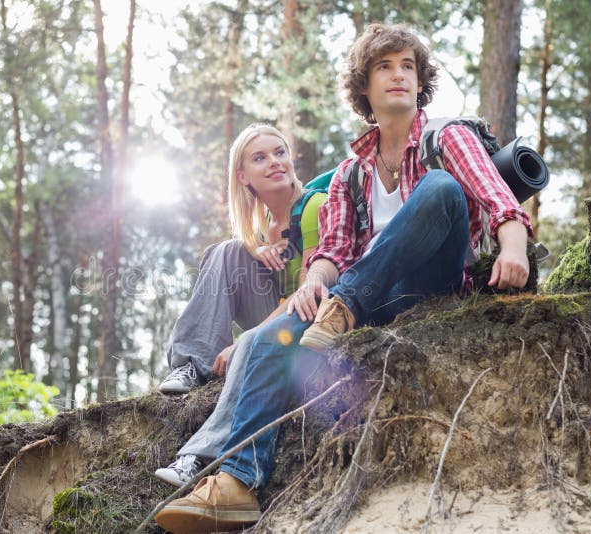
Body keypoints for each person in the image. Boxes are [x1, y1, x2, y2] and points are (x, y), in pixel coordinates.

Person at [154, 23, 533, 533]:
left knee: (442, 189)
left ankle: (344, 305)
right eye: (384, 67)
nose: (398, 75)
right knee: (271, 335)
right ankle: (238, 481)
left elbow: (495, 195)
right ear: (364, 87)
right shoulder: (348, 172)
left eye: (408, 66)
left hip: (429, 284)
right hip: (365, 298)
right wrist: (313, 281)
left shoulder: (447, 136)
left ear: (421, 82)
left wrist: (514, 247)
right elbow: (331, 249)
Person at [155, 124, 327, 486]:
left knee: (250, 343)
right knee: (225, 250)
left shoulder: (314, 208)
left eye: (280, 152)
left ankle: (197, 457)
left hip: (308, 318)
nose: (274, 162)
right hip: (275, 309)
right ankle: (192, 364)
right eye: (260, 158)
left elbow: (306, 296)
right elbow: (241, 249)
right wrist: (255, 248)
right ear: (243, 176)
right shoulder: (262, 221)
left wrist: (245, 338)